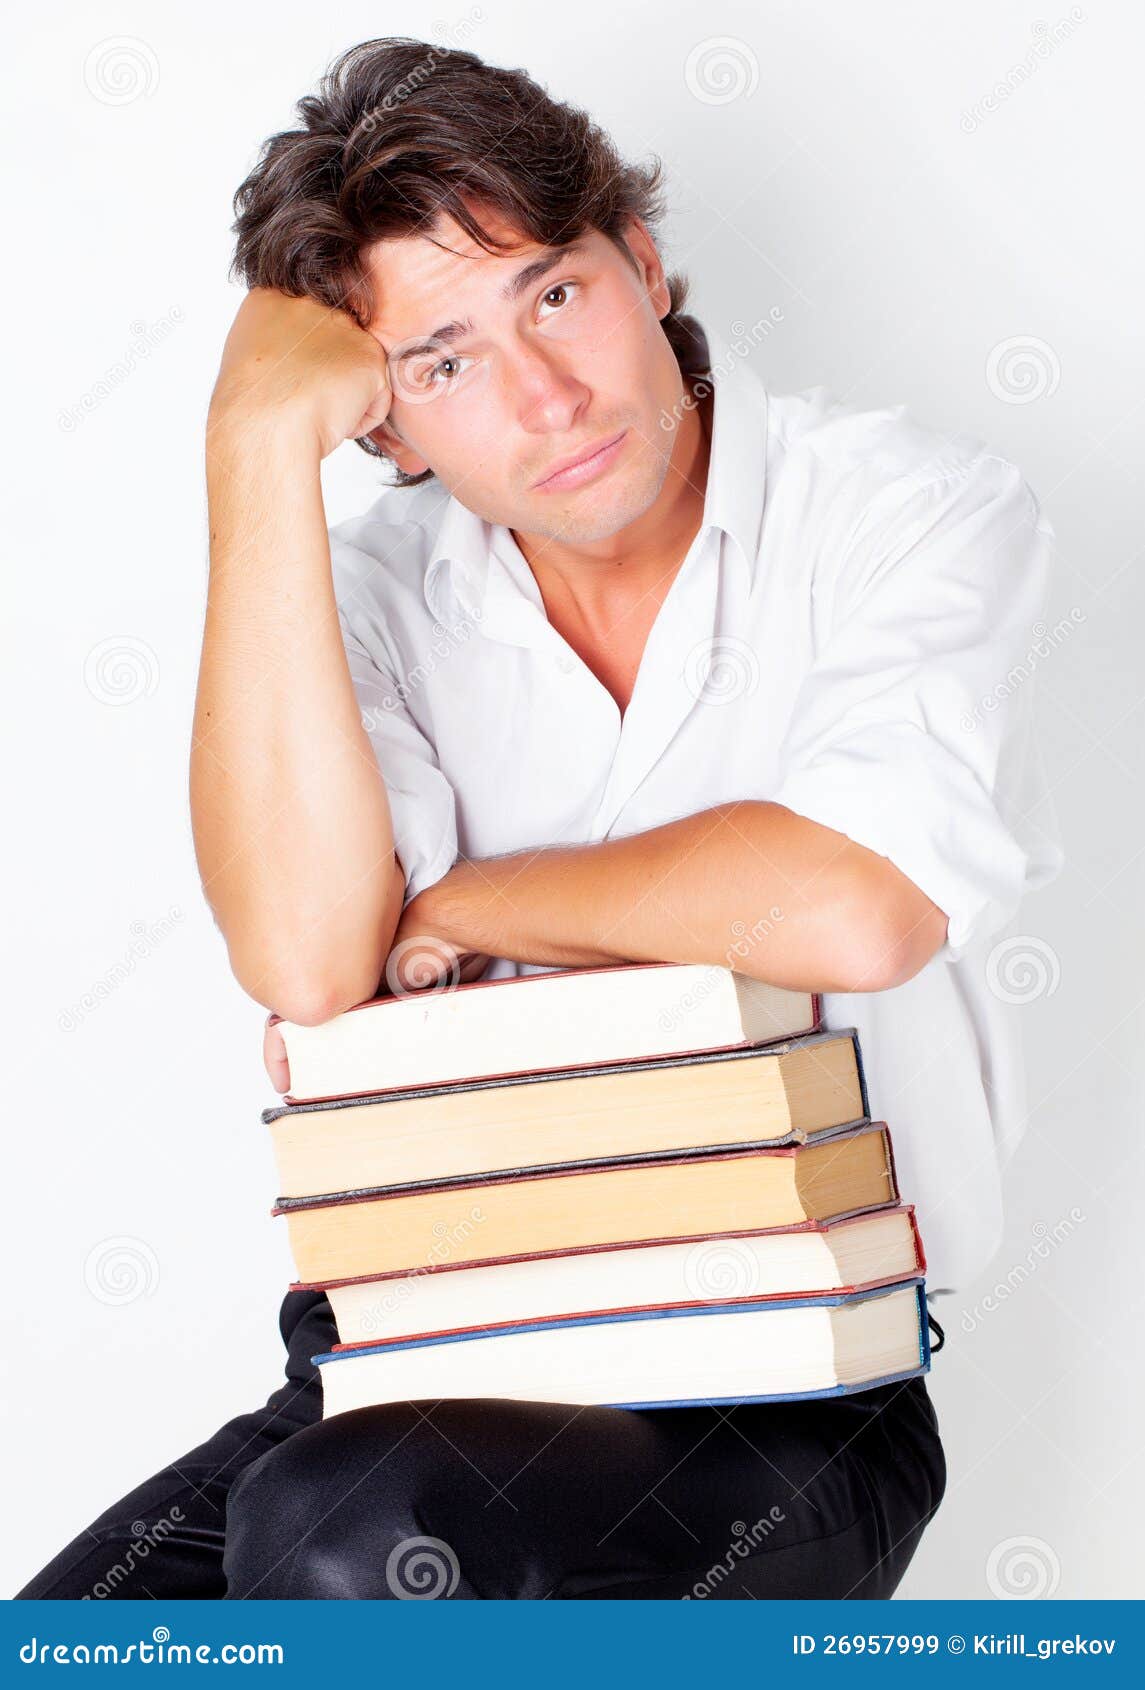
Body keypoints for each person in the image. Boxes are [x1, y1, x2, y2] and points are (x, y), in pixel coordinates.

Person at [17, 34, 1061, 1600]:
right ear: (382, 425)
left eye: (554, 294)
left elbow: (855, 901)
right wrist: (248, 457)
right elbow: (309, 960)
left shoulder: (909, 511)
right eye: (439, 361)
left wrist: (466, 905)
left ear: (640, 262)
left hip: (784, 1382)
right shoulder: (360, 595)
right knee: (83, 1638)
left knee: (361, 1547)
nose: (546, 395)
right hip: (406, 1352)